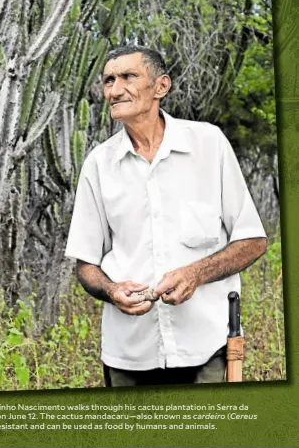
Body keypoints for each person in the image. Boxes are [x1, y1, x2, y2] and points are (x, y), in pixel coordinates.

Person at [65, 44, 268, 386]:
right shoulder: (99, 165)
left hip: (208, 347)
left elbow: (252, 240)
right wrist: (112, 290)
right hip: (129, 353)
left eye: (128, 77)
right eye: (109, 80)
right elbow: (85, 264)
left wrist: (197, 273)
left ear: (161, 86)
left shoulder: (208, 144)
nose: (114, 90)